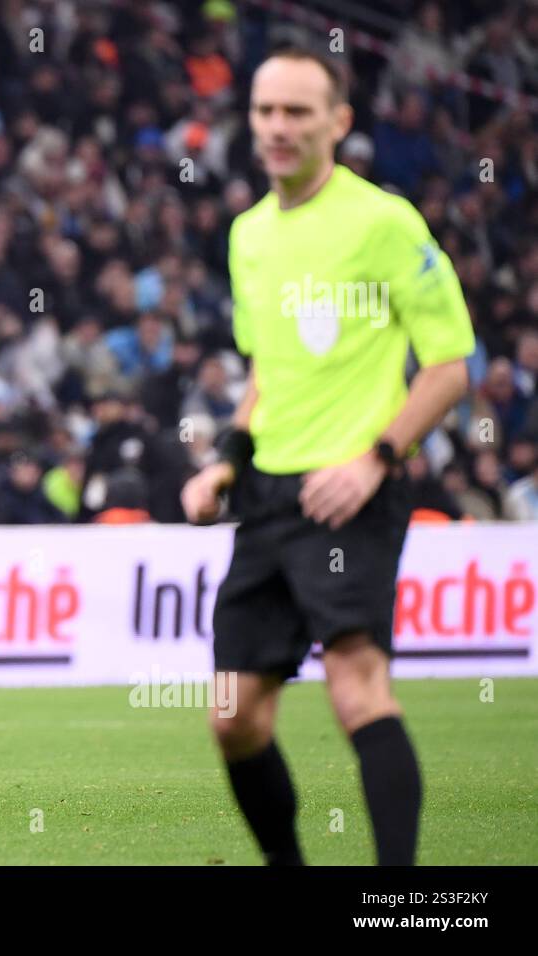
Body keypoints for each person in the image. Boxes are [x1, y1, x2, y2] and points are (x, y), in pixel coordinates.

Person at [181, 48, 475, 865]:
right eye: (266, 111)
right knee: (233, 717)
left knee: (356, 690)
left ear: (338, 122)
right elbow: (267, 375)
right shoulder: (249, 236)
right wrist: (227, 463)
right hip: (269, 500)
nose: (278, 127)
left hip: (351, 491)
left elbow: (450, 367)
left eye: (298, 112)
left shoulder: (384, 222)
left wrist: (375, 459)